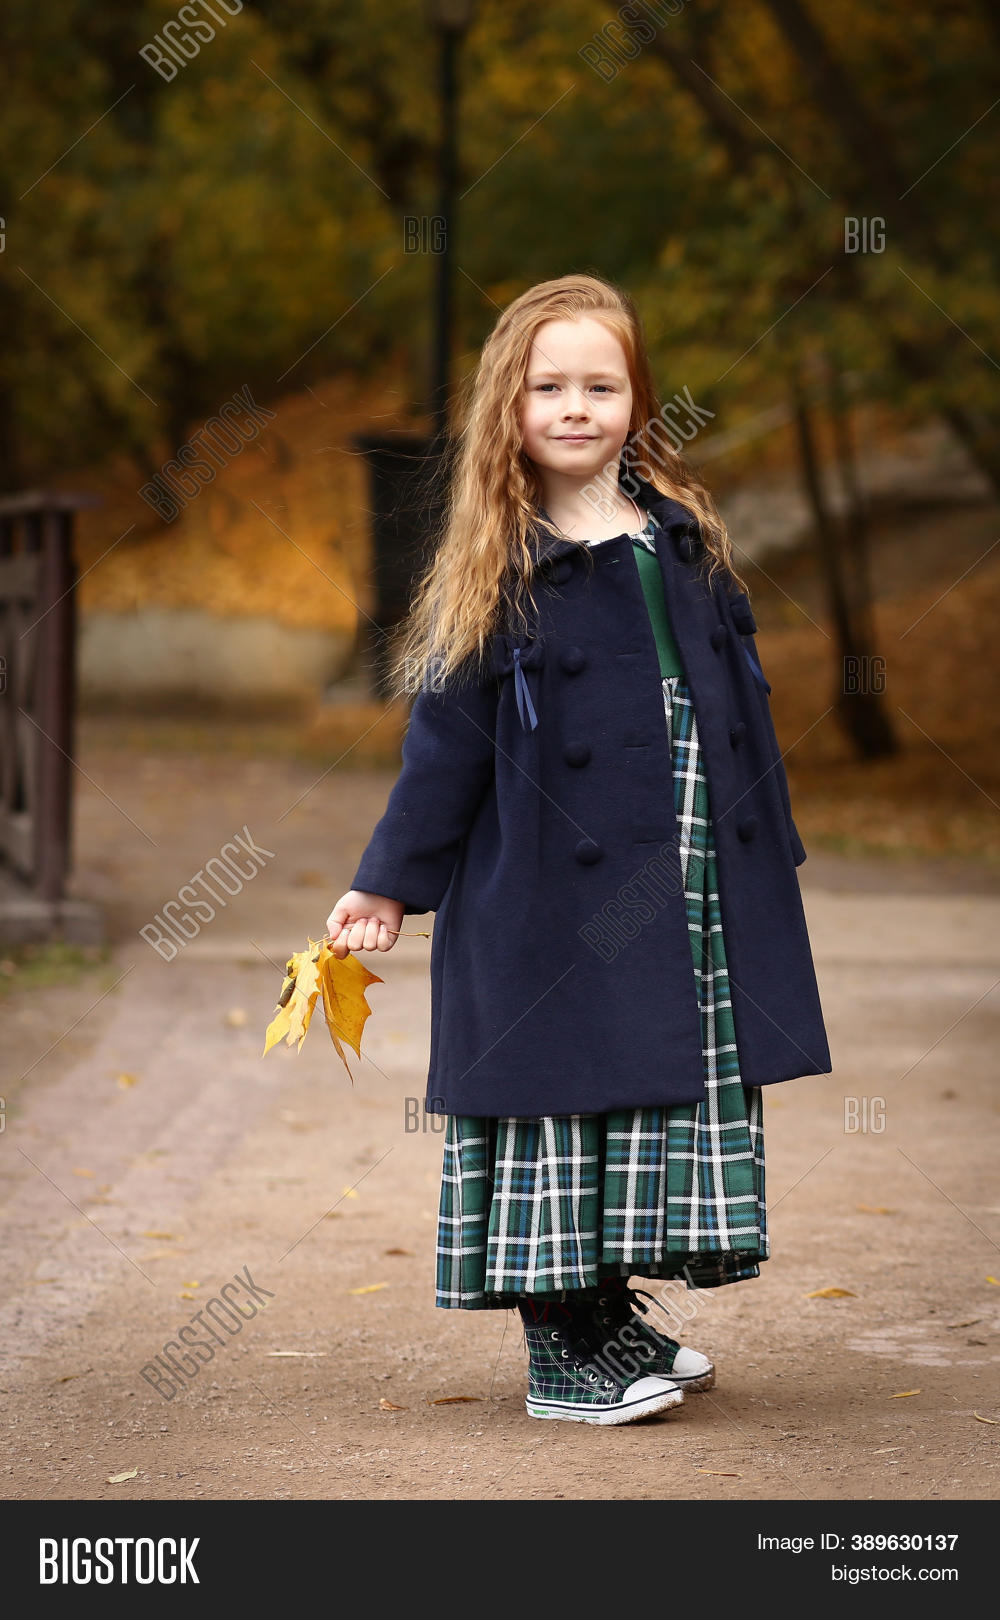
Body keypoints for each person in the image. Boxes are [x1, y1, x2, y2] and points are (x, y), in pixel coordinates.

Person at [326, 272, 832, 1427]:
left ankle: (607, 1313)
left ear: (634, 400)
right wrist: (388, 885)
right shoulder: (497, 561)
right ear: (509, 406)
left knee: (646, 1081)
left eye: (599, 385)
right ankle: (561, 1351)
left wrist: (767, 848)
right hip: (549, 888)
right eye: (547, 385)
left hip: (686, 852)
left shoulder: (675, 536)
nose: (573, 406)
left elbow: (737, 702)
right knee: (562, 1089)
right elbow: (444, 740)